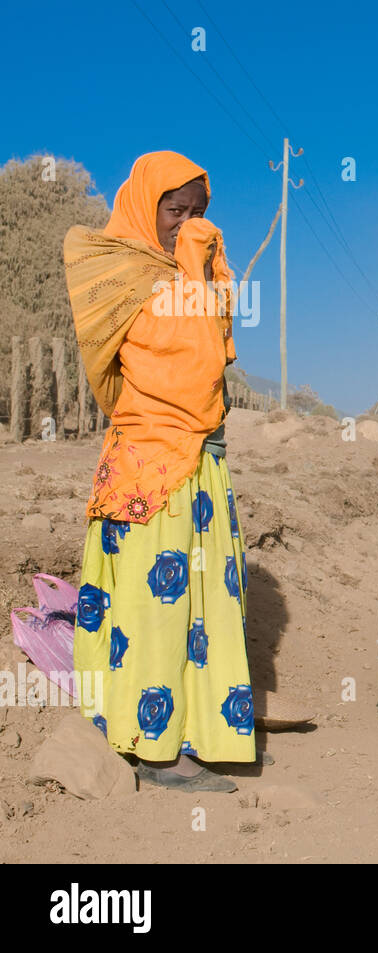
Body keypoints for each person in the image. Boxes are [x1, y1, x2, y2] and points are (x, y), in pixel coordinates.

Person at [64, 151, 251, 792]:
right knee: (156, 605)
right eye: (176, 211)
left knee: (201, 605)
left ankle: (199, 730)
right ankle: (154, 747)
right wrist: (194, 272)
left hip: (198, 462)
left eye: (200, 213)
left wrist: (202, 268)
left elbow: (220, 349)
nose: (188, 225)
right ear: (148, 205)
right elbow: (186, 361)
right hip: (150, 463)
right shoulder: (121, 269)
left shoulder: (194, 273)